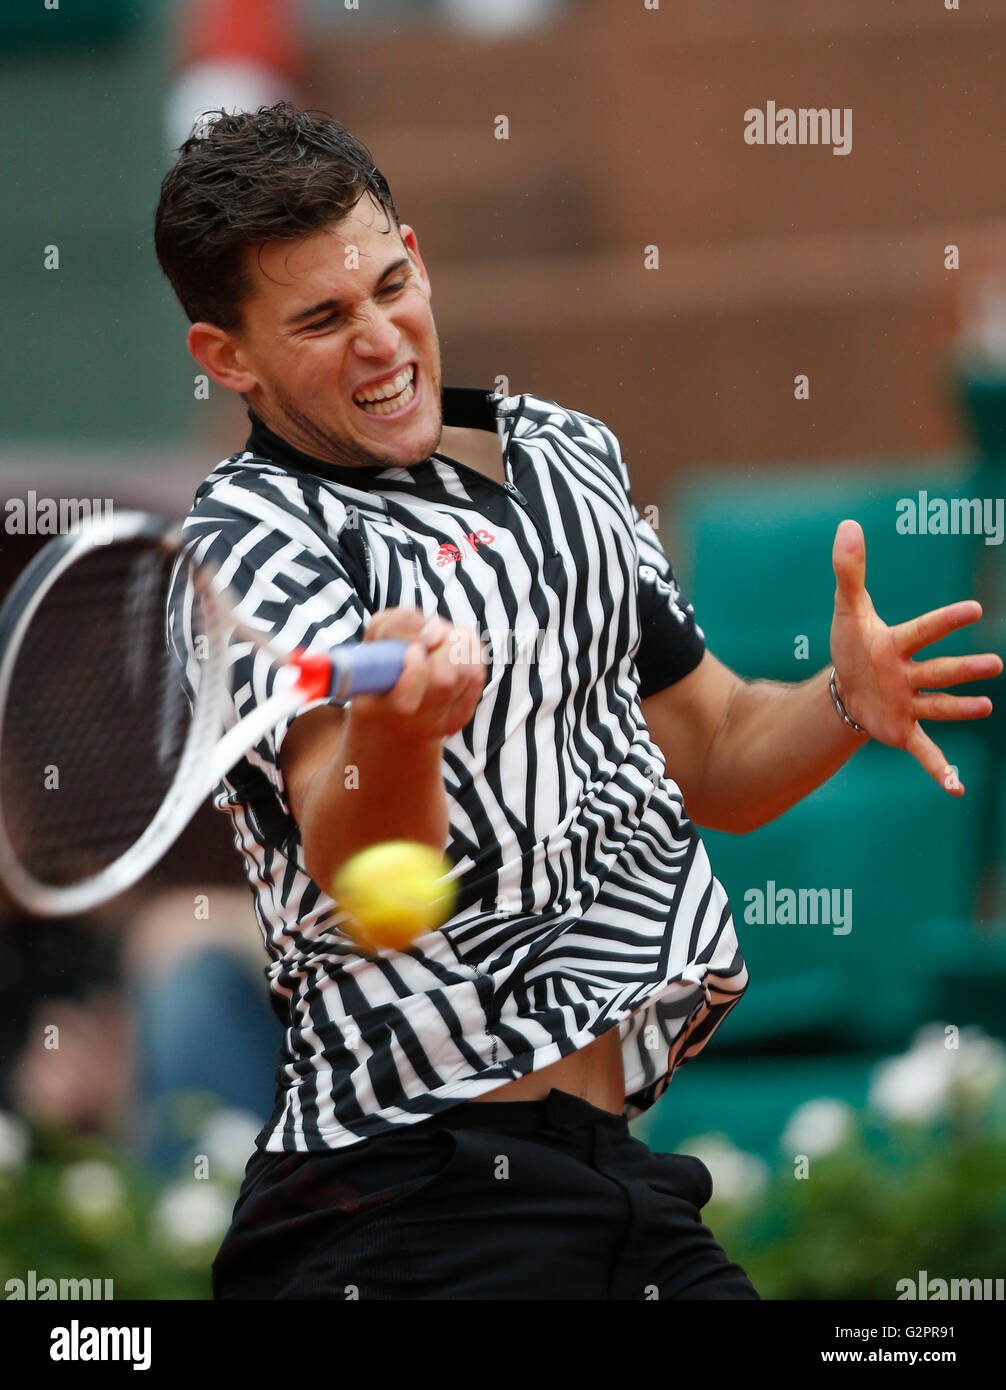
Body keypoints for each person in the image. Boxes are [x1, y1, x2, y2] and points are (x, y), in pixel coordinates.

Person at [154, 102, 1001, 1300]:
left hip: (611, 1177)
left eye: (392, 284)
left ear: (417, 253)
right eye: (322, 319)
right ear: (226, 356)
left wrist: (842, 699)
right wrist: (397, 728)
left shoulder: (565, 462)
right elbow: (364, 870)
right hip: (403, 1203)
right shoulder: (250, 544)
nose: (382, 339)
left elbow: (710, 748)